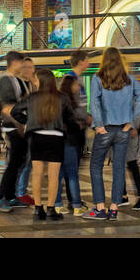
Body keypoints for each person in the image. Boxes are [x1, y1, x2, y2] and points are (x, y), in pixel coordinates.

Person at [86, 47, 140, 220]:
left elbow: (94, 103)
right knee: (119, 168)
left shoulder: (98, 79)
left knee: (96, 166)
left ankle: (99, 207)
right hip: (123, 129)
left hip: (105, 127)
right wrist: (131, 121)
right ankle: (113, 208)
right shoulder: (130, 80)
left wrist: (98, 125)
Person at [15, 69, 80, 223]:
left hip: (37, 137)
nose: (34, 81)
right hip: (56, 138)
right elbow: (71, 118)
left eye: (36, 79)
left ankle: (38, 209)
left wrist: (29, 122)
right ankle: (51, 209)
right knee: (54, 175)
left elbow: (15, 111)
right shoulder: (62, 97)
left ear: (42, 81)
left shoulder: (32, 97)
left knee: (37, 173)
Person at [0, 52, 31, 211]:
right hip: (13, 127)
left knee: (19, 162)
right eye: (22, 63)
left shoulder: (17, 80)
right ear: (15, 62)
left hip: (19, 126)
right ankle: (2, 198)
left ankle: (10, 195)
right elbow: (7, 108)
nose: (23, 66)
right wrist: (20, 126)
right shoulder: (5, 80)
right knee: (14, 163)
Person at [56, 50, 93, 213]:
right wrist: (85, 119)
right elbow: (74, 109)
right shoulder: (71, 80)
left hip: (74, 133)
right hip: (72, 133)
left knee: (67, 170)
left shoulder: (75, 81)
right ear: (80, 61)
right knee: (70, 171)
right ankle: (74, 203)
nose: (89, 63)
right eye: (87, 60)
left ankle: (68, 201)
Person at [13, 57, 39, 206]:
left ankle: (21, 191)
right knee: (24, 162)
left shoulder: (30, 84)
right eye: (27, 67)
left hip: (30, 130)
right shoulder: (19, 85)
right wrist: (26, 121)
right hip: (20, 130)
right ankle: (19, 192)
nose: (30, 70)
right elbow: (15, 109)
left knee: (28, 162)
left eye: (31, 67)